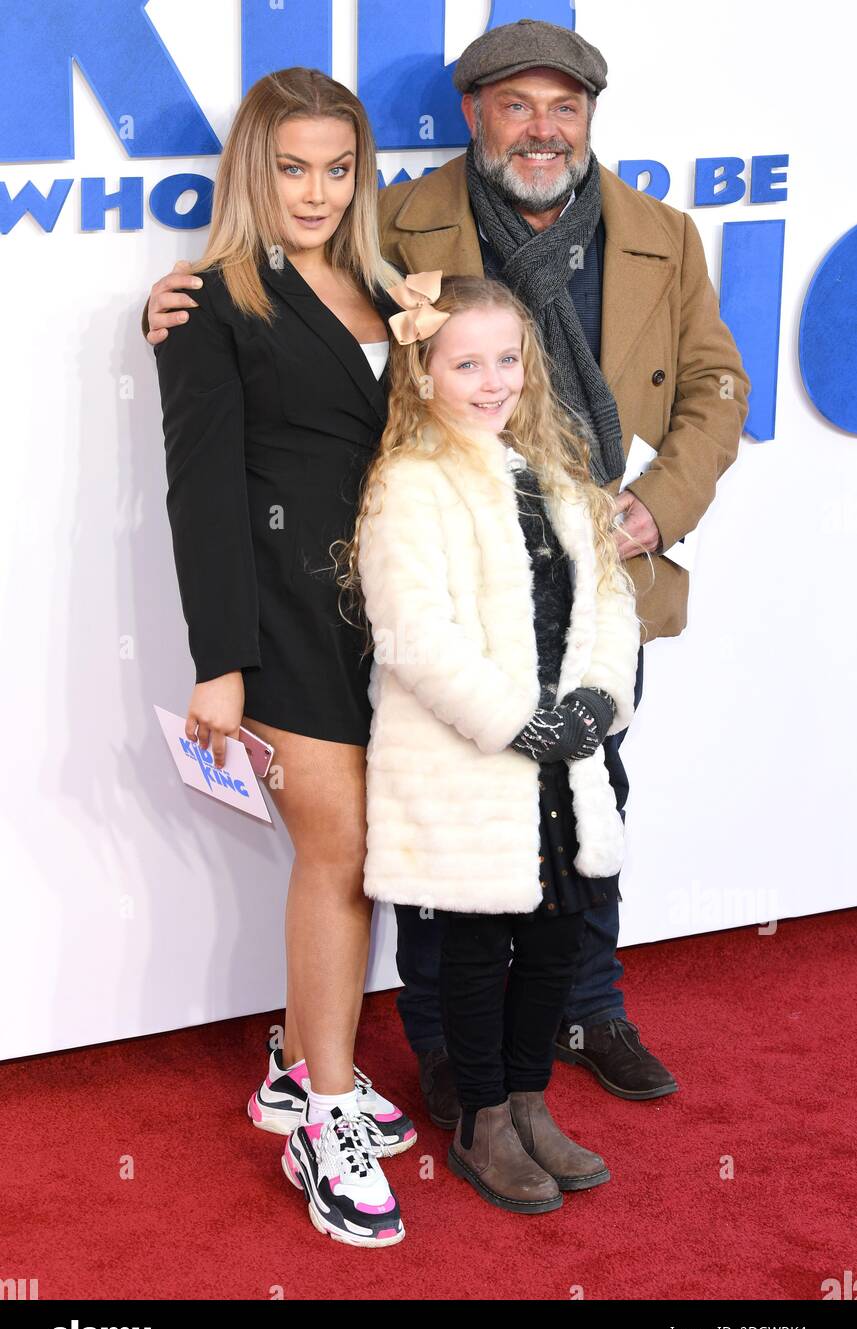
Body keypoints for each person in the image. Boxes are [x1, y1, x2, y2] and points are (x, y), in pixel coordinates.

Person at [143, 20, 750, 1128]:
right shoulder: (373, 241)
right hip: (373, 598)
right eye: (514, 105)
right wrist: (171, 308)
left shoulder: (626, 238)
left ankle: (569, 1013)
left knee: (574, 801)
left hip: (544, 582)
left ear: (589, 119)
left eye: (561, 106)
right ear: (472, 115)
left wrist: (646, 512)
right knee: (395, 833)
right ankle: (404, 1067)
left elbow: (713, 385)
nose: (539, 126)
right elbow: (225, 440)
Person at [153, 66, 416, 1248]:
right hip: (282, 616)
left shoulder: (383, 285)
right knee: (342, 854)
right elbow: (198, 489)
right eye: (291, 167)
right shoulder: (206, 301)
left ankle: (294, 1058)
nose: (313, 191)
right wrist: (220, 660)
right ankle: (320, 1113)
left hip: (397, 619)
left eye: (336, 166)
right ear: (254, 170)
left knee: (365, 853)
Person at [343, 270, 640, 1211]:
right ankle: (480, 1120)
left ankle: (528, 1099)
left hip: (563, 766)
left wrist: (595, 701)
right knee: (475, 951)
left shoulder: (551, 472)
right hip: (476, 763)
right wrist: (518, 724)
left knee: (556, 939)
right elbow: (414, 637)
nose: (492, 380)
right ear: (420, 373)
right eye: (465, 363)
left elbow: (609, 603)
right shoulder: (408, 484)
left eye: (506, 359)